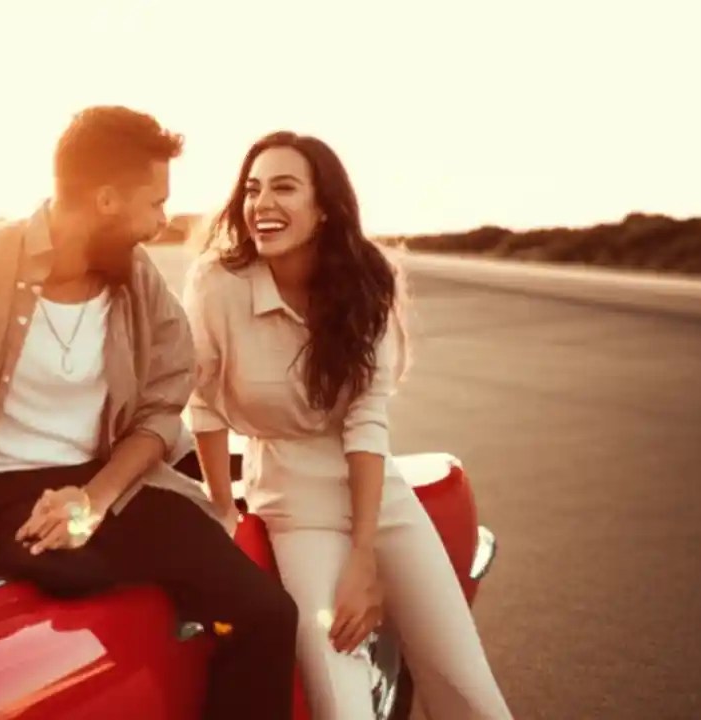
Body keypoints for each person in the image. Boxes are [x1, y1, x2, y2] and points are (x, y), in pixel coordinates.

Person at [0, 106, 300, 719]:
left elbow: (161, 412)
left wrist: (91, 499)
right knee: (73, 572)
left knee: (267, 612)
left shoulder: (140, 287)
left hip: (104, 482)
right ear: (108, 201)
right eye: (155, 203)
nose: (162, 222)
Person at [182, 130, 513, 719]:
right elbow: (202, 403)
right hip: (293, 506)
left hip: (377, 497)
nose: (262, 204)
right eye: (253, 189)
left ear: (325, 206)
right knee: (341, 697)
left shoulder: (368, 277)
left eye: (285, 187)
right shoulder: (218, 282)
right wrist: (222, 509)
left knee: (466, 685)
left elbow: (366, 420)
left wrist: (365, 557)